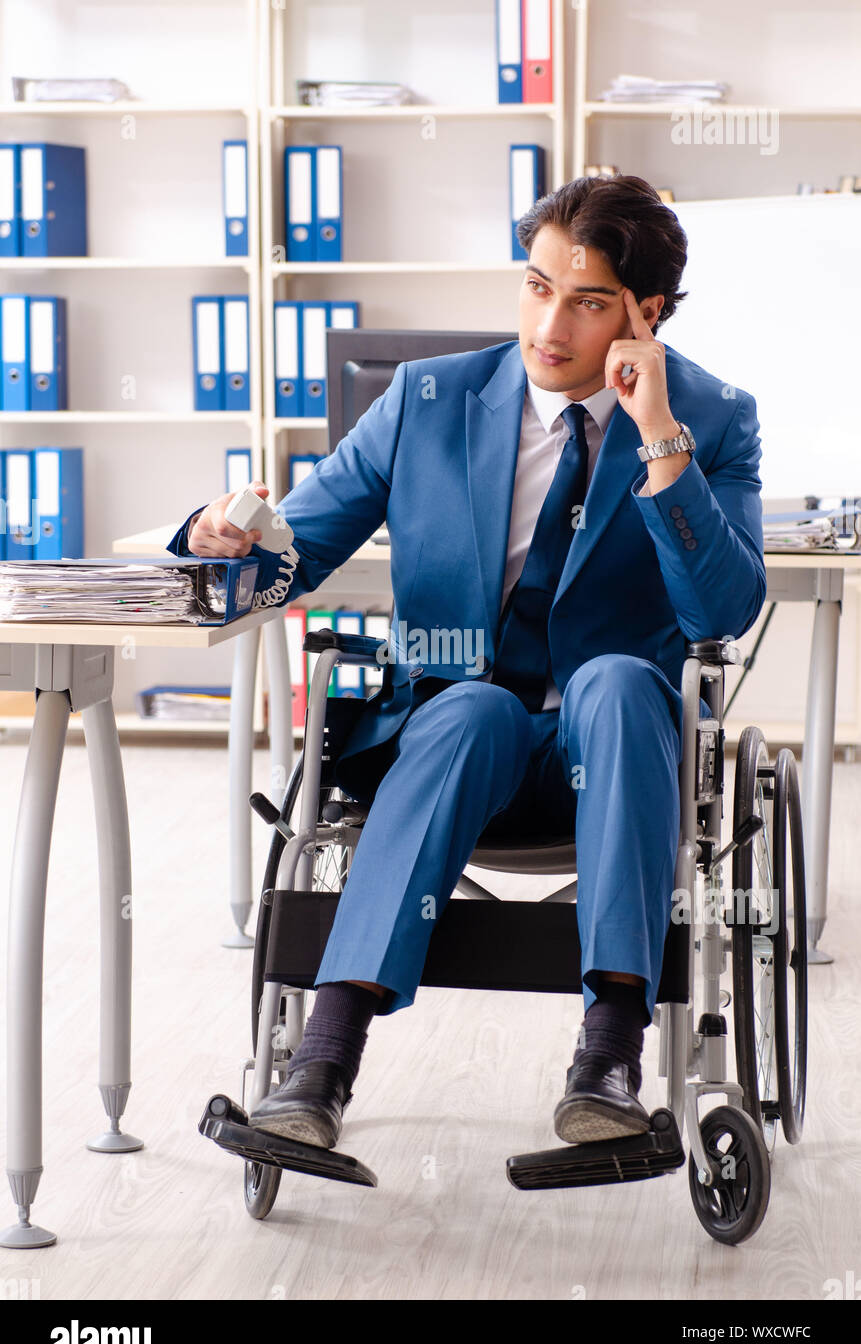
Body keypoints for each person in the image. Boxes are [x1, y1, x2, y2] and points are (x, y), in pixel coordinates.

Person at [167, 174, 765, 1152]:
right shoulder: (427, 399)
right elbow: (293, 554)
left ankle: (610, 1056)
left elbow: (719, 613)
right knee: (471, 709)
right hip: (456, 745)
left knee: (618, 678)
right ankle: (319, 1063)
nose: (549, 323)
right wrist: (218, 541)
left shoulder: (713, 417)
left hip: (613, 756)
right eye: (537, 286)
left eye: (586, 299)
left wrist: (659, 438)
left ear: (643, 312)